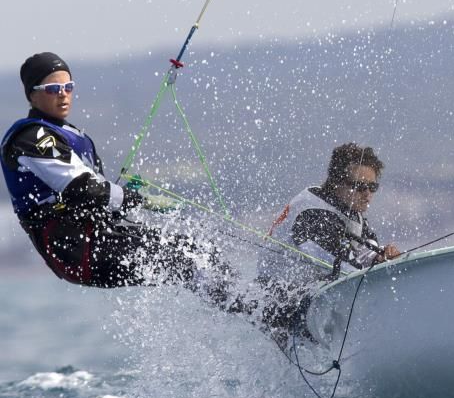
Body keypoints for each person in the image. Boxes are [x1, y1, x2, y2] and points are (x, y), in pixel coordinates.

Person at [1, 52, 229, 298]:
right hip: (77, 250)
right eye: (53, 88)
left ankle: (258, 304)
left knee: (200, 252)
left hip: (98, 235)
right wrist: (137, 199)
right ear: (32, 95)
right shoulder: (32, 137)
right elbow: (82, 188)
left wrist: (123, 196)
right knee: (188, 261)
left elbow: (93, 194)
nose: (63, 94)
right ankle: (261, 310)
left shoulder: (65, 132)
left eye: (68, 87)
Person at [266, 142, 401, 275]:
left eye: (372, 187)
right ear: (337, 182)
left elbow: (362, 252)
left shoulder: (348, 209)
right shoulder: (313, 215)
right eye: (359, 186)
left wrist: (379, 257)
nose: (367, 194)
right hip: (278, 291)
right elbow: (344, 269)